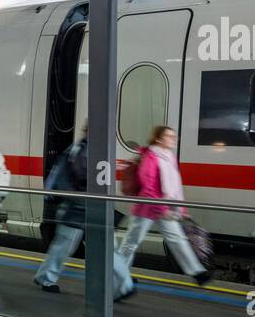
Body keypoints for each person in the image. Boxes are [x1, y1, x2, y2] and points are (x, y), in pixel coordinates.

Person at [35, 124, 136, 299]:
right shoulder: (95, 151)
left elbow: (62, 178)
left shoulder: (80, 150)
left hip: (82, 207)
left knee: (65, 246)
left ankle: (46, 277)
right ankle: (123, 286)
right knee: (107, 249)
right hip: (86, 208)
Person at [117, 125, 211, 286]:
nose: (173, 139)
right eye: (169, 136)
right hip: (147, 208)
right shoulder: (150, 157)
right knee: (131, 243)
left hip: (165, 207)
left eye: (174, 136)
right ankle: (119, 275)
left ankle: (197, 272)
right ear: (158, 139)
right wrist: (163, 209)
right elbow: (148, 187)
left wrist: (181, 209)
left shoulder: (169, 157)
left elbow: (175, 186)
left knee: (177, 238)